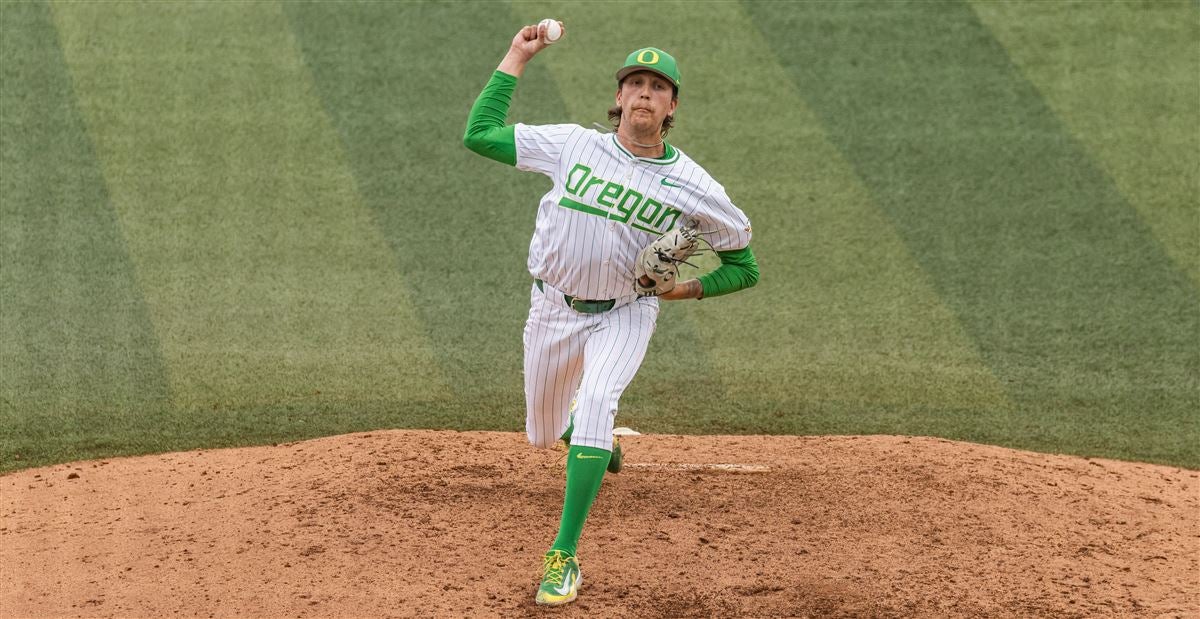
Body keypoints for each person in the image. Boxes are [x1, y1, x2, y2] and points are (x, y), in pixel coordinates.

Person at [463, 21, 759, 607]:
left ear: (672, 105)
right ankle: (585, 438)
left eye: (658, 86)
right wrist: (518, 55)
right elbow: (479, 134)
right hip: (551, 308)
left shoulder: (696, 186)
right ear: (619, 96)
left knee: (599, 400)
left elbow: (744, 266)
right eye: (636, 84)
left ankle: (564, 554)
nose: (646, 93)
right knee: (542, 432)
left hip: (625, 313)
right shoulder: (573, 144)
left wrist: (681, 291)